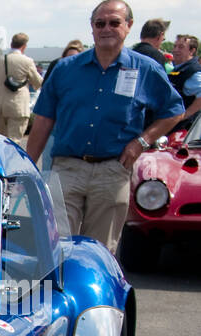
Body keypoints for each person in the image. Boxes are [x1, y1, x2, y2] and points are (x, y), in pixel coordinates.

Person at [26, 1, 183, 253]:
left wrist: (142, 142)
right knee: (54, 248)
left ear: (129, 26)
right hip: (67, 168)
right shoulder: (66, 69)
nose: (106, 28)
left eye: (114, 22)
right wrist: (27, 166)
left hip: (113, 170)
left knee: (99, 252)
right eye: (100, 23)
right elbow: (44, 120)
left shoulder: (146, 69)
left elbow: (174, 111)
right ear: (92, 28)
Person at [0, 33, 43, 142]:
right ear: (24, 46)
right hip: (18, 107)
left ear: (11, 44)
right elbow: (38, 83)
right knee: (14, 142)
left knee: (3, 142)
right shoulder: (27, 61)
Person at [168, 35, 201, 131]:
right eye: (175, 46)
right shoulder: (178, 69)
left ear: (192, 51)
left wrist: (184, 116)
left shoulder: (193, 71)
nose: (175, 50)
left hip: (182, 129)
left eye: (181, 47)